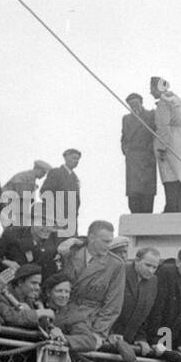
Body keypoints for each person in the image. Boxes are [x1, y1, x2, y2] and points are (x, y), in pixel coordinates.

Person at [53, 220, 126, 351]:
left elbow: (113, 306)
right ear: (91, 238)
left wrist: (98, 333)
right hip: (61, 316)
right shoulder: (70, 253)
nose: (109, 246)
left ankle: (64, 341)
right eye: (105, 241)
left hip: (88, 323)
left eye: (110, 241)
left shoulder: (116, 265)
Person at [151, 75, 181, 213]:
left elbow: (163, 127)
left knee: (169, 176)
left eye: (152, 88)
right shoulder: (179, 102)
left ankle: (172, 207)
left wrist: (162, 148)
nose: (151, 92)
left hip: (169, 141)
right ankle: (178, 207)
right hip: (179, 139)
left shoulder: (164, 103)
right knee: (179, 175)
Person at [111, 246, 162, 350]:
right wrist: (110, 332)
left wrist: (141, 338)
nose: (151, 271)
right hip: (107, 338)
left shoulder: (153, 281)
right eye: (148, 265)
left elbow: (145, 315)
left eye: (154, 267)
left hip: (129, 341)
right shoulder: (119, 272)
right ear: (137, 260)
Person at [120, 92, 158, 214]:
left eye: (136, 103)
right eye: (131, 105)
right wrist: (125, 149)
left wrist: (150, 150)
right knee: (133, 196)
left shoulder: (151, 115)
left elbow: (156, 135)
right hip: (132, 161)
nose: (134, 106)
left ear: (141, 103)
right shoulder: (126, 119)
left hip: (147, 160)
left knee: (147, 196)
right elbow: (124, 137)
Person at [41, 148, 82, 231]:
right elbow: (45, 192)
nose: (76, 161)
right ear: (66, 157)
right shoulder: (56, 172)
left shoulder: (75, 178)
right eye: (74, 158)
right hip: (55, 218)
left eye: (78, 159)